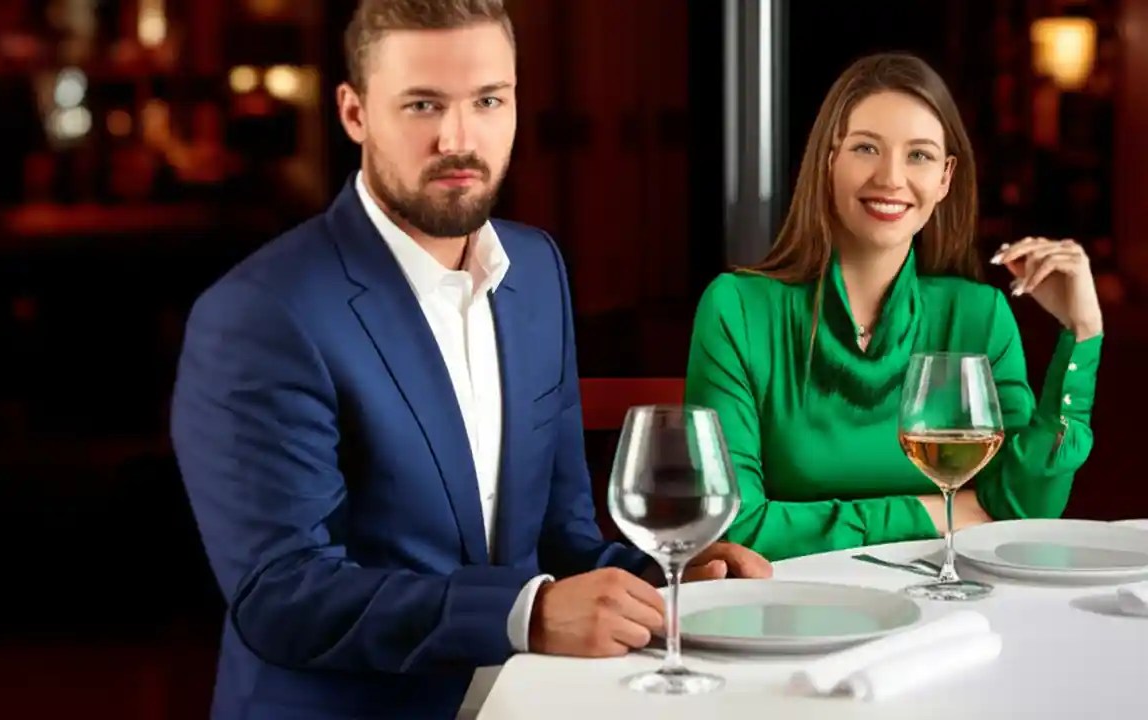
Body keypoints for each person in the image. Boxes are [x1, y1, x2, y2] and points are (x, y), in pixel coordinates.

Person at [170, 1, 771, 718]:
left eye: (488, 101)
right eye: (423, 105)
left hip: (527, 703)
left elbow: (561, 538)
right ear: (355, 113)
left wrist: (668, 577)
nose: (459, 138)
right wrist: (528, 615)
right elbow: (284, 594)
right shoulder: (260, 313)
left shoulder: (535, 270)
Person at [685, 52, 1102, 562]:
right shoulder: (737, 310)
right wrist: (933, 514)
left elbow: (1022, 510)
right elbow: (734, 528)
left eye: (919, 155)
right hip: (788, 615)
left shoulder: (979, 316)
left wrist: (1081, 334)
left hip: (945, 609)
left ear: (945, 178)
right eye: (866, 148)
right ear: (828, 160)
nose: (890, 178)